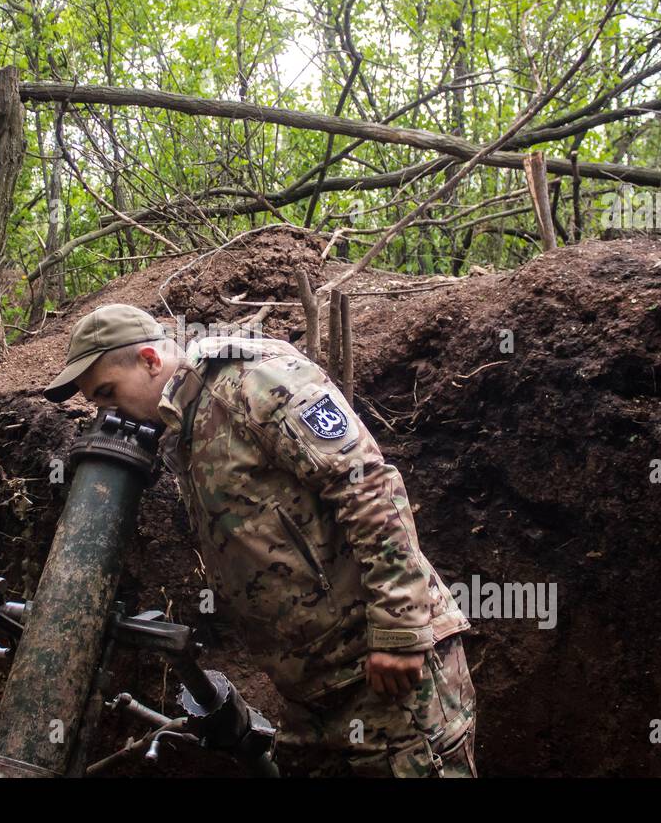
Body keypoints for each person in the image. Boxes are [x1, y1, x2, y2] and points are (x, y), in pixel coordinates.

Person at [43, 303, 478, 777]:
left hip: (384, 675)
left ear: (149, 361)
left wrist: (399, 629)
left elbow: (367, 485)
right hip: (314, 691)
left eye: (109, 393)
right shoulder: (184, 427)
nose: (110, 413)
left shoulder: (252, 380)